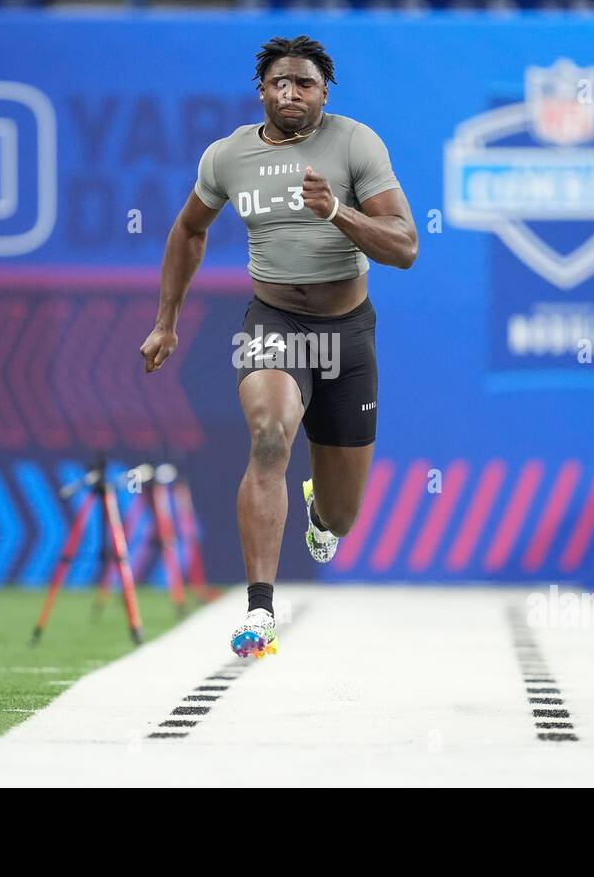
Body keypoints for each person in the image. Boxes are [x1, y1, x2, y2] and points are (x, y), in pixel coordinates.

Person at [139, 35, 417, 657]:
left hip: (346, 334)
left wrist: (338, 213)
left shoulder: (355, 144)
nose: (291, 94)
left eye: (305, 85)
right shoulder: (228, 155)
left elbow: (404, 246)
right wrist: (167, 321)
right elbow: (189, 228)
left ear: (325, 93)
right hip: (275, 323)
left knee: (343, 518)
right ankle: (260, 611)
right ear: (261, 90)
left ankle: (320, 511)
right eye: (279, 84)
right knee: (268, 435)